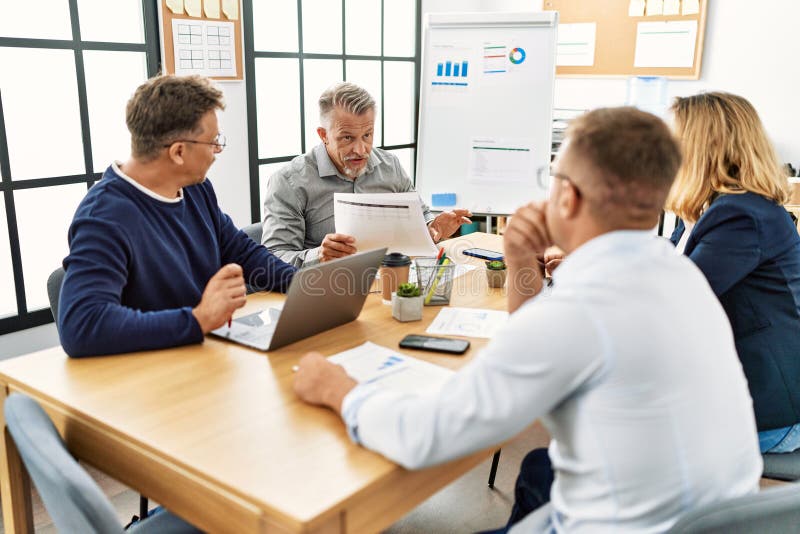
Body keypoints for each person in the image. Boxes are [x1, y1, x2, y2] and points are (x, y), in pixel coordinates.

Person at [293, 107, 762, 532]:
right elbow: (532, 352)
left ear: (569, 196)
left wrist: (339, 390)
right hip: (710, 518)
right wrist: (520, 263)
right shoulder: (676, 271)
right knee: (541, 469)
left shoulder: (580, 311)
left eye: (553, 175)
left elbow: (426, 437)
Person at [59, 75, 296, 358]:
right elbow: (82, 326)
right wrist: (198, 319)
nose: (217, 150)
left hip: (202, 355)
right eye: (213, 141)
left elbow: (241, 251)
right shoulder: (104, 216)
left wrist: (306, 286)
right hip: (148, 375)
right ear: (179, 152)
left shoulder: (196, 189)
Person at [667, 92, 800, 454]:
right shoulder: (710, 208)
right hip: (739, 387)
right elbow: (666, 266)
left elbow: (674, 296)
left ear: (702, 148)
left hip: (770, 411)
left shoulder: (741, 215)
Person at [262, 82, 472, 267]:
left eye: (367, 135)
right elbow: (272, 259)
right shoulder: (288, 182)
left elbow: (420, 214)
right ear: (324, 135)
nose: (361, 150)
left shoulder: (390, 166)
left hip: (390, 282)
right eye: (347, 138)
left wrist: (433, 227)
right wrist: (318, 255)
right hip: (323, 290)